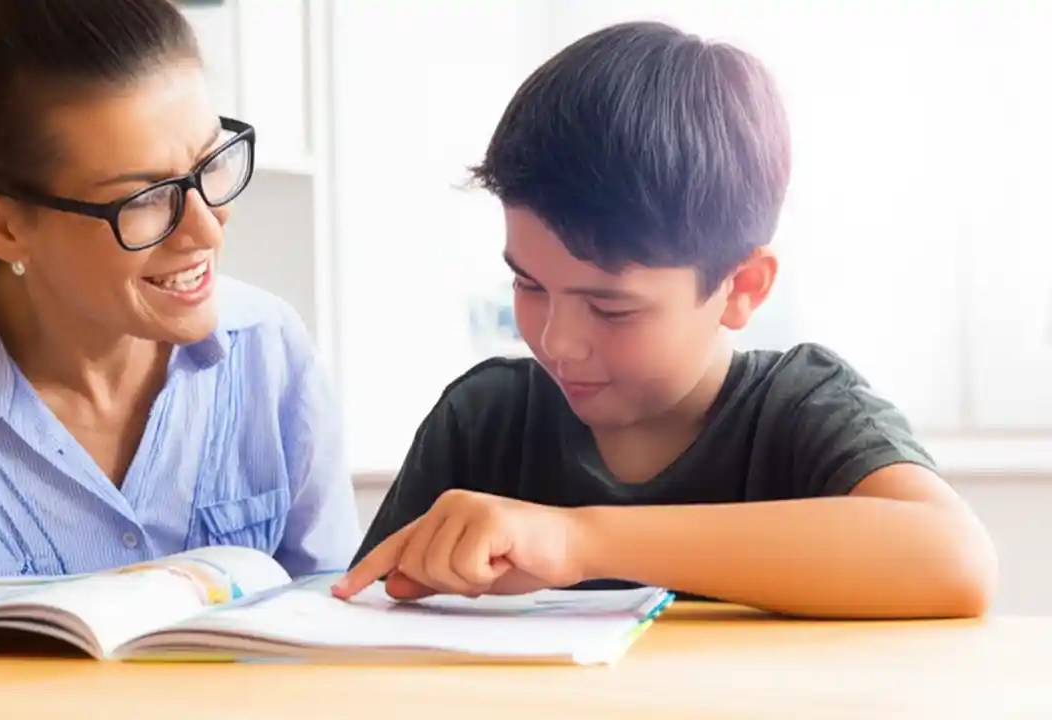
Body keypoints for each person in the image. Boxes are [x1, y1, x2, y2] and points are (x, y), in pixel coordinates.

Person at [334, 21, 998, 618]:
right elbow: (363, 621)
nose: (557, 341)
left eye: (610, 307)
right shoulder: (485, 423)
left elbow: (955, 560)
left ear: (741, 287)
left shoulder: (801, 410)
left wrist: (579, 541)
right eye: (527, 282)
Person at [0, 0, 358, 578]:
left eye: (210, 164)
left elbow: (331, 632)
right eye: (145, 197)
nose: (206, 227)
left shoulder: (271, 350)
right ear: (0, 224)